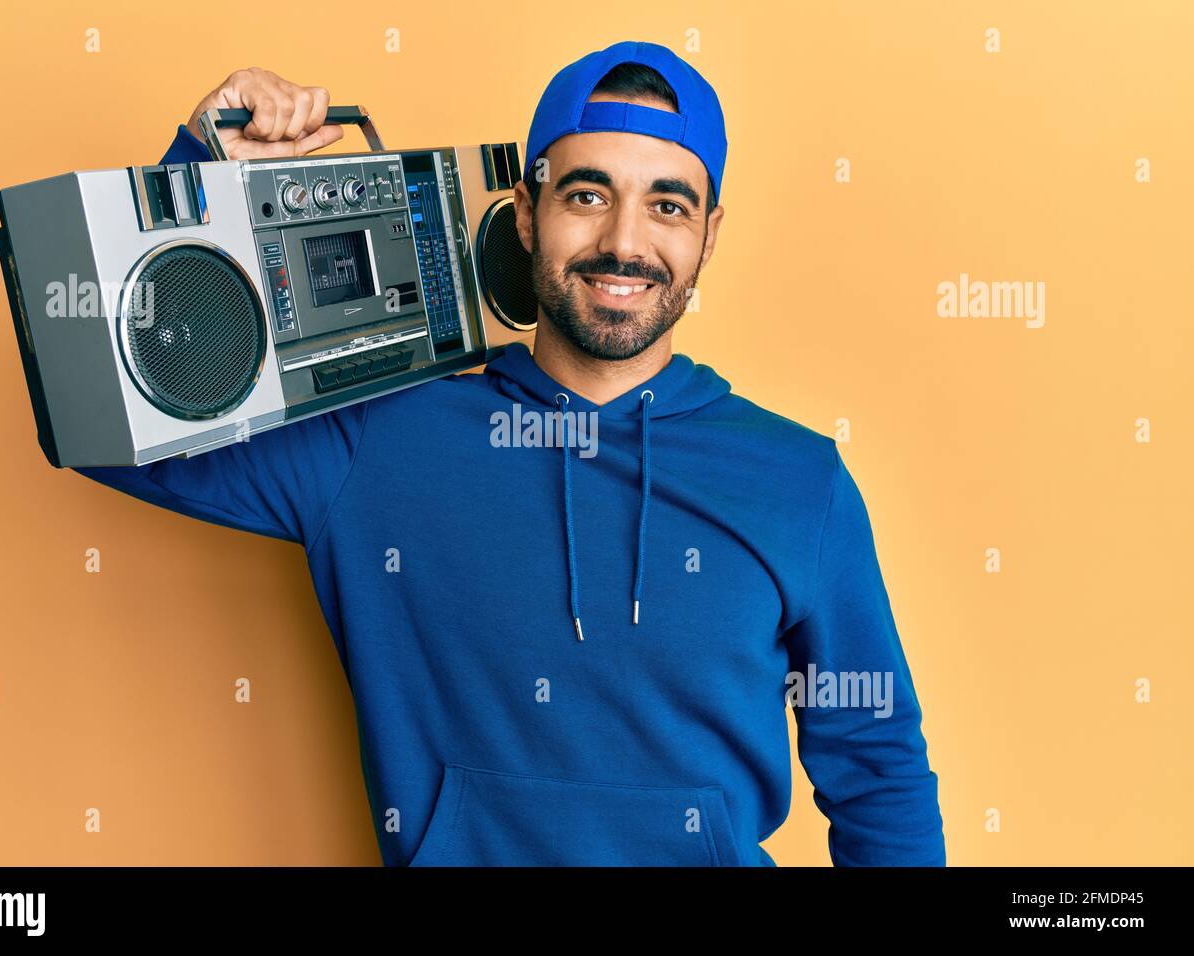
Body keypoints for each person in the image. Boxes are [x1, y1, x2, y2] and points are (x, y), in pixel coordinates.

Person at [74, 40, 945, 866]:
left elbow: (878, 766)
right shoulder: (378, 437)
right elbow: (105, 430)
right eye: (587, 194)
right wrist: (195, 162)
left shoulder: (799, 481)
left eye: (668, 205)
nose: (625, 244)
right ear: (526, 213)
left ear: (708, 236)